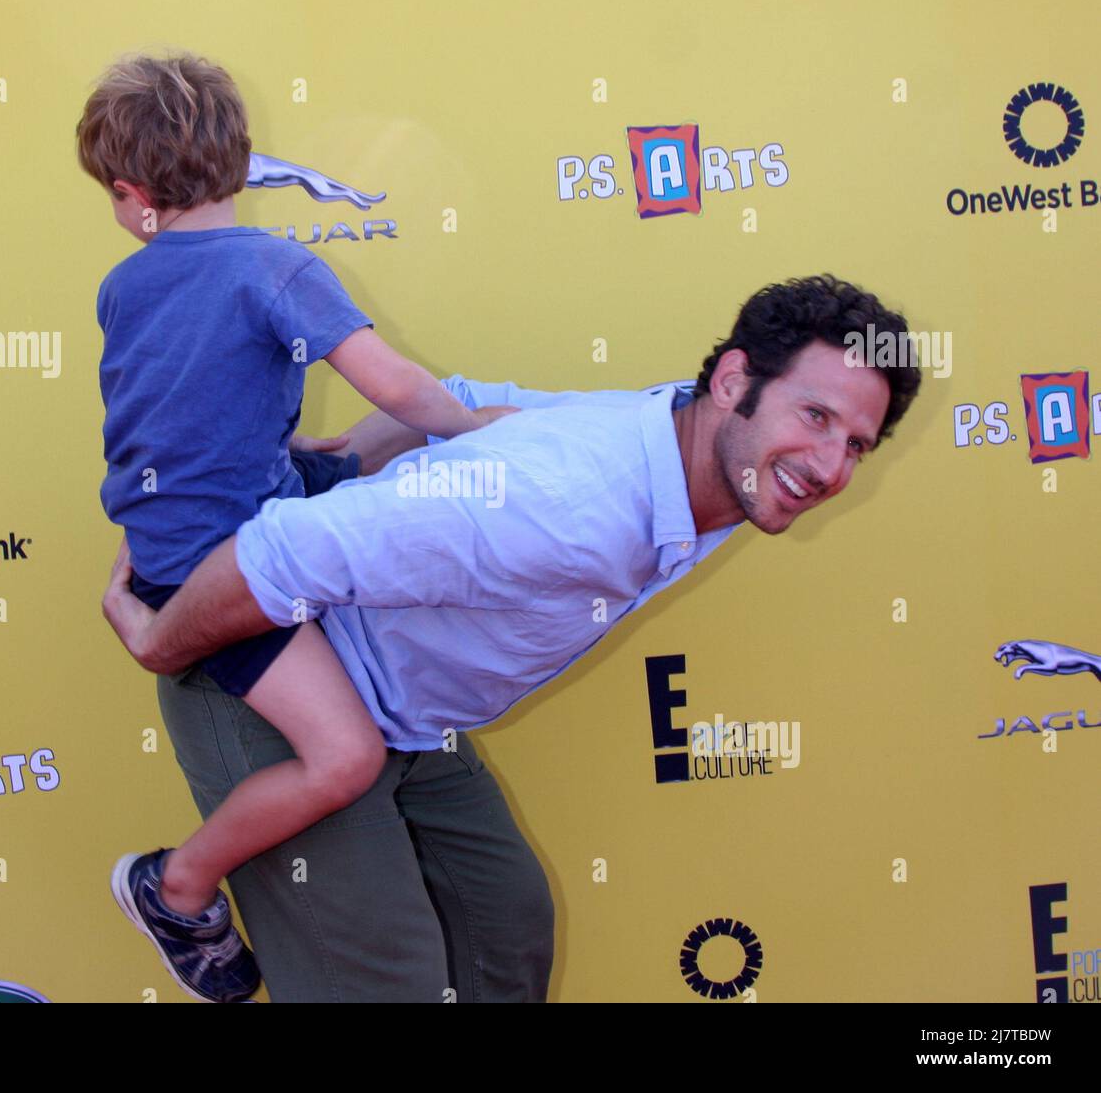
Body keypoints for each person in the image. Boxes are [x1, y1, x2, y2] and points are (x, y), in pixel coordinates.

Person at [101, 275, 924, 1002]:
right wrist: (161, 642)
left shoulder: (699, 442)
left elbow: (463, 402)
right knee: (391, 984)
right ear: (734, 379)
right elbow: (278, 556)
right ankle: (171, 888)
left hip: (406, 705)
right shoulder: (563, 502)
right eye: (814, 415)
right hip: (263, 667)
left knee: (507, 929)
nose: (827, 468)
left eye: (854, 443)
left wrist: (343, 457)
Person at [76, 50, 515, 1003]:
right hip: (225, 569)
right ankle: (178, 885)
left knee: (380, 445)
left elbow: (171, 409)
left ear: (129, 194)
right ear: (241, 164)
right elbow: (396, 384)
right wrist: (483, 438)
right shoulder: (276, 268)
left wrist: (282, 447)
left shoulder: (125, 283)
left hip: (186, 534)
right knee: (347, 757)